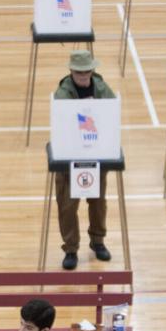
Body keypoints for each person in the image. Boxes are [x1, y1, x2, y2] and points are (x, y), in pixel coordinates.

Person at [53, 50, 115, 271]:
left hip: (95, 154)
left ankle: (98, 241)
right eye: (78, 71)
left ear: (92, 69)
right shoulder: (63, 94)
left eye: (86, 70)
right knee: (68, 206)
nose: (83, 75)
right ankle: (71, 248)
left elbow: (112, 113)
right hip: (71, 157)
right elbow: (62, 125)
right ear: (71, 71)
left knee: (98, 202)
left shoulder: (102, 88)